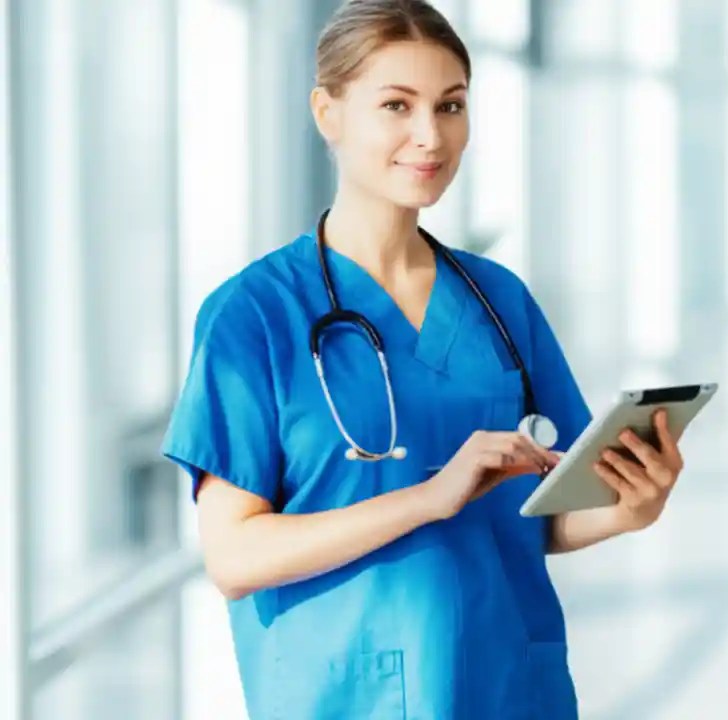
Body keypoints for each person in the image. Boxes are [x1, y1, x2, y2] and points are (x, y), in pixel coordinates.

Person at [160, 2, 685, 717]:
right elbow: (234, 558)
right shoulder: (253, 315)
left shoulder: (497, 300)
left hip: (508, 688)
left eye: (450, 105)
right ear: (329, 112)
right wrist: (426, 499)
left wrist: (630, 508)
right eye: (396, 106)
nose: (429, 136)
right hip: (343, 696)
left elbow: (543, 517)